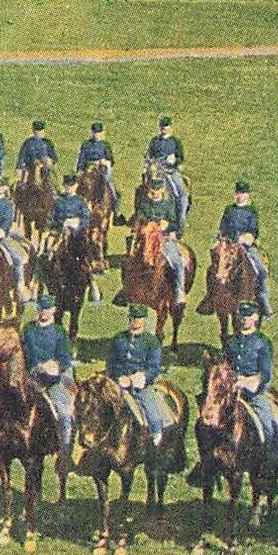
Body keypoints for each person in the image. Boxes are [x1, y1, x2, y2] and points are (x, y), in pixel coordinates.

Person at [220, 302, 278, 471]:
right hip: (230, 392)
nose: (244, 320)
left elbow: (266, 373)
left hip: (253, 393)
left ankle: (269, 457)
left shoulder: (262, 343)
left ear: (256, 318)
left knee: (267, 421)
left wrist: (248, 382)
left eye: (248, 316)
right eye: (242, 316)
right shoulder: (231, 342)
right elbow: (224, 366)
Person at [23, 295, 76, 468]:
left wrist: (56, 366)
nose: (43, 313)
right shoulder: (29, 329)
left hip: (55, 379)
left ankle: (65, 453)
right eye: (40, 309)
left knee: (63, 413)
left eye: (47, 309)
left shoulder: (60, 332)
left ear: (53, 310)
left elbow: (65, 358)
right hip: (33, 377)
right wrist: (36, 367)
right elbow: (25, 353)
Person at [108, 305, 171, 444]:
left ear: (144, 320)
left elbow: (154, 367)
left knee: (148, 404)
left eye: (138, 318)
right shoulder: (119, 338)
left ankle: (156, 433)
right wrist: (116, 377)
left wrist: (136, 379)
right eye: (132, 318)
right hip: (118, 381)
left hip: (140, 384)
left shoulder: (151, 341)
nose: (135, 321)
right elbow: (111, 363)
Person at [217, 181, 271, 319]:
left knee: (261, 270)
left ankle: (264, 301)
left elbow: (253, 230)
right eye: (238, 193)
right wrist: (222, 238)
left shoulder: (251, 211)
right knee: (214, 266)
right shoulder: (229, 209)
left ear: (247, 195)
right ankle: (212, 297)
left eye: (243, 193)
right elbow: (223, 227)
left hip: (245, 246)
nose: (240, 196)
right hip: (228, 244)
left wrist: (246, 238)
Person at [136, 179, 186, 305]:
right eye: (153, 190)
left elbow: (175, 224)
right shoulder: (144, 204)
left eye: (158, 190)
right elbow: (138, 219)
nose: (155, 193)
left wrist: (168, 225)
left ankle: (179, 291)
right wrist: (146, 226)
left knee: (177, 263)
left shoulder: (168, 205)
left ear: (163, 190)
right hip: (147, 238)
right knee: (131, 261)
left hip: (164, 238)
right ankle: (128, 289)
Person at [145, 116, 189, 233]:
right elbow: (148, 156)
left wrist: (174, 160)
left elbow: (181, 158)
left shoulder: (175, 141)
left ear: (170, 128)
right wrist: (148, 166)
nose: (164, 130)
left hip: (170, 171)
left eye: (166, 128)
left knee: (182, 193)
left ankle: (180, 221)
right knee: (141, 190)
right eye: (162, 128)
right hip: (155, 171)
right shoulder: (154, 141)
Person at [75, 121, 118, 216]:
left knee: (108, 182)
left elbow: (111, 159)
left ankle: (115, 206)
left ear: (102, 133)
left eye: (98, 133)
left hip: (101, 168)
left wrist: (104, 161)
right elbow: (81, 158)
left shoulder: (105, 145)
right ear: (91, 133)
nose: (96, 135)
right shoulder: (86, 144)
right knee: (77, 184)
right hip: (88, 168)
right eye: (94, 132)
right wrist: (80, 170)